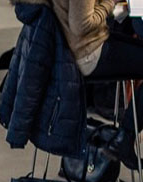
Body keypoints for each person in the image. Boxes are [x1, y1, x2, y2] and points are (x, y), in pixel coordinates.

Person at [38, 0, 143, 168]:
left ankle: (124, 138)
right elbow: (82, 25)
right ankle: (124, 138)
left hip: (62, 51)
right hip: (84, 54)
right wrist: (110, 4)